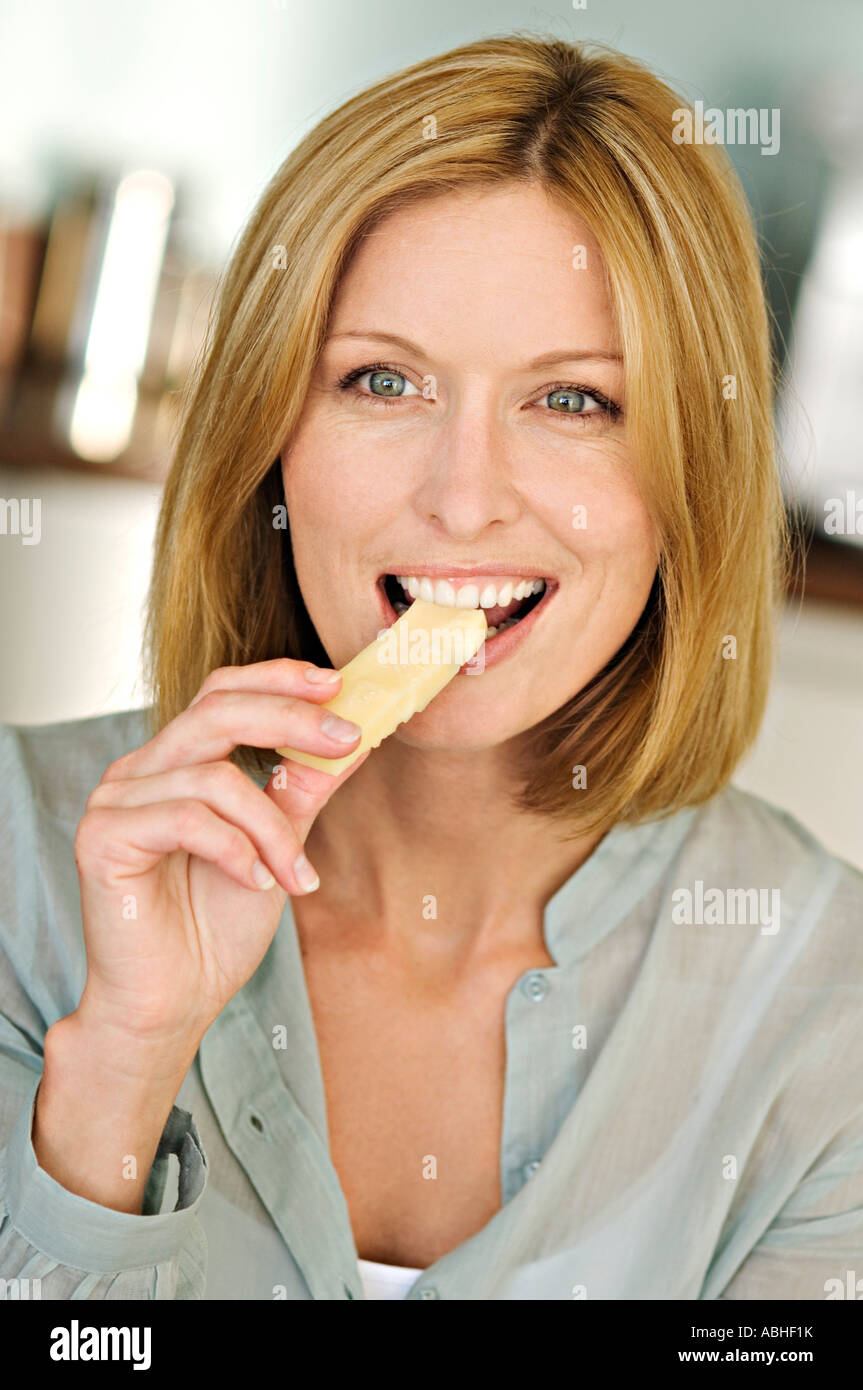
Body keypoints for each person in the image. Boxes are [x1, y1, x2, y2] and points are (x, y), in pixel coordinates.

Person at [1, 33, 861, 1302]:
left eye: (573, 401)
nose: (462, 503)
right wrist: (122, 1066)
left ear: (690, 479)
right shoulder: (26, 865)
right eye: (383, 380)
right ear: (267, 433)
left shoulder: (821, 1008)